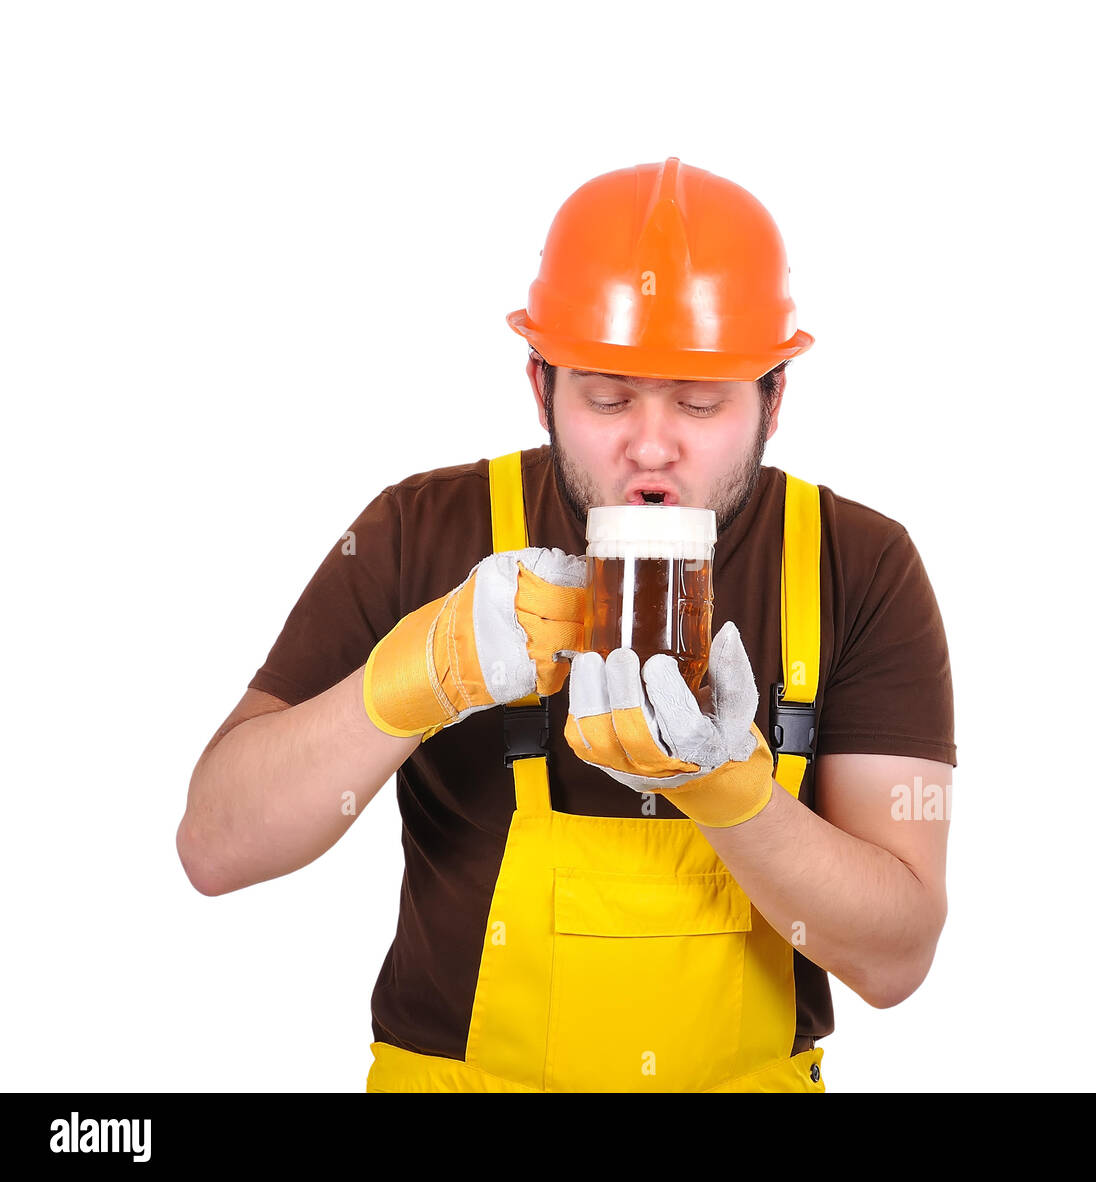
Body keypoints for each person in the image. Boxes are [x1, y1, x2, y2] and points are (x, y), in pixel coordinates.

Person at [177, 158, 957, 1093]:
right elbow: (214, 848)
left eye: (701, 401)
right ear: (540, 382)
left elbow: (896, 959)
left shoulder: (855, 565)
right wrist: (407, 684)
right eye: (607, 396)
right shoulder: (421, 531)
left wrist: (730, 789)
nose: (651, 444)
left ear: (775, 400)